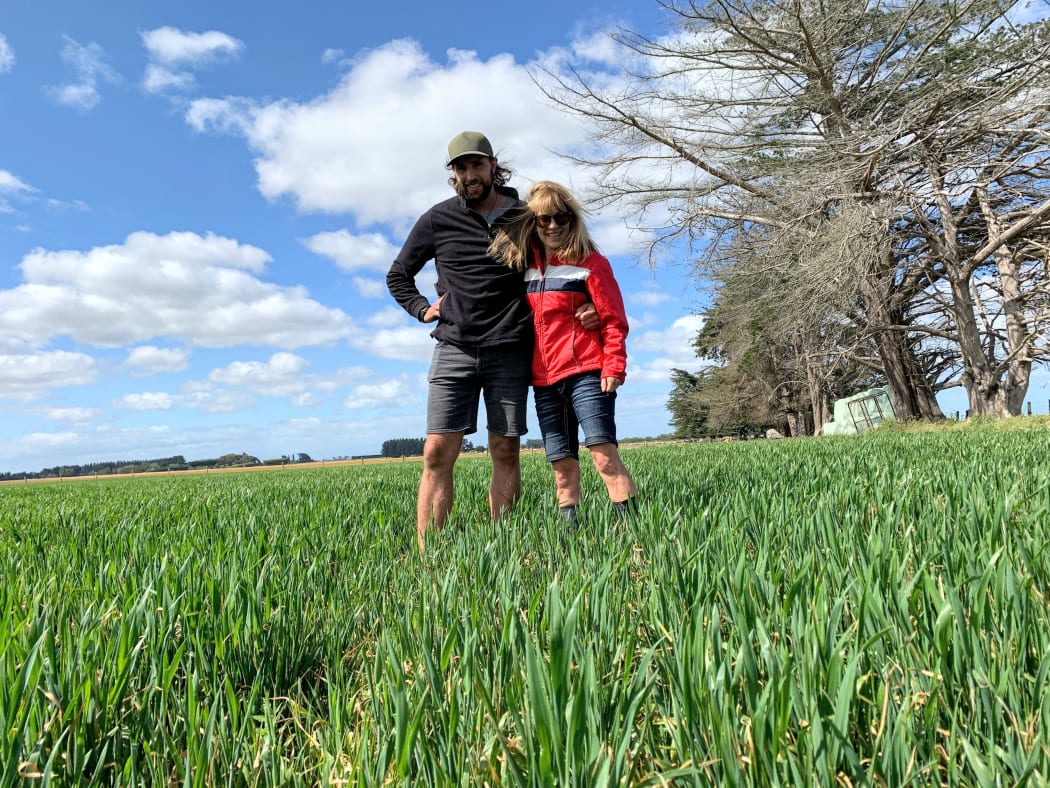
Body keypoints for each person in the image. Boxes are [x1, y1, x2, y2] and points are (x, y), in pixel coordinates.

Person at [387, 133, 597, 551]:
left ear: (492, 165)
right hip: (454, 347)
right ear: (453, 175)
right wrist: (422, 308)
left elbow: (568, 252)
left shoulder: (524, 216)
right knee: (436, 452)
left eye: (476, 165)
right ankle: (431, 555)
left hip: (511, 347)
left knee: (504, 449)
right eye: (461, 168)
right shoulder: (437, 219)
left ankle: (501, 547)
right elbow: (398, 275)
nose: (470, 175)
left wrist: (589, 302)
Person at [490, 180, 638, 527]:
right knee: (562, 467)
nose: (553, 226)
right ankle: (572, 541)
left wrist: (614, 364)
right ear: (533, 223)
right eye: (544, 220)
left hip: (587, 371)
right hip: (543, 381)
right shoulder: (522, 267)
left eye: (561, 218)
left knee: (603, 456)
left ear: (573, 220)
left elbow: (615, 319)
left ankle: (634, 535)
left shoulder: (591, 263)